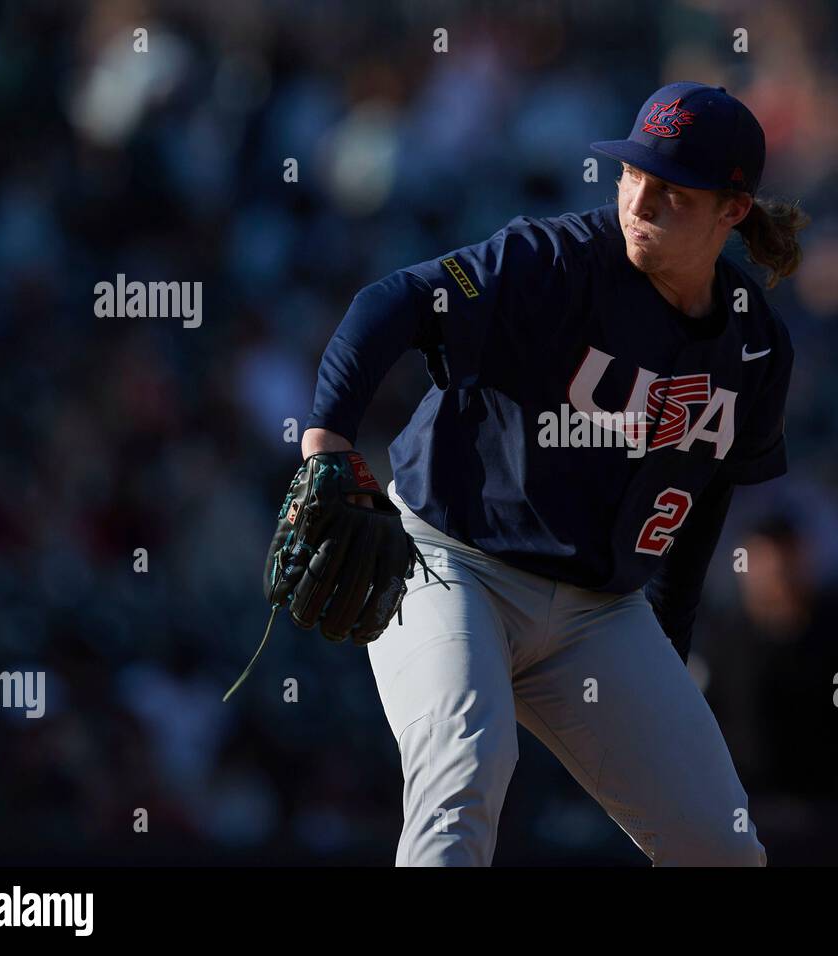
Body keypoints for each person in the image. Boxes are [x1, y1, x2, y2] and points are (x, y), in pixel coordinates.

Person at [297, 81, 806, 865]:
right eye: (633, 174)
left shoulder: (755, 345)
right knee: (462, 775)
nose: (641, 199)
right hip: (451, 562)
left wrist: (667, 645)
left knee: (722, 845)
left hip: (600, 612)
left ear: (732, 212)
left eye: (673, 190)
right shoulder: (555, 261)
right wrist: (328, 440)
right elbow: (391, 302)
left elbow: (702, 497)